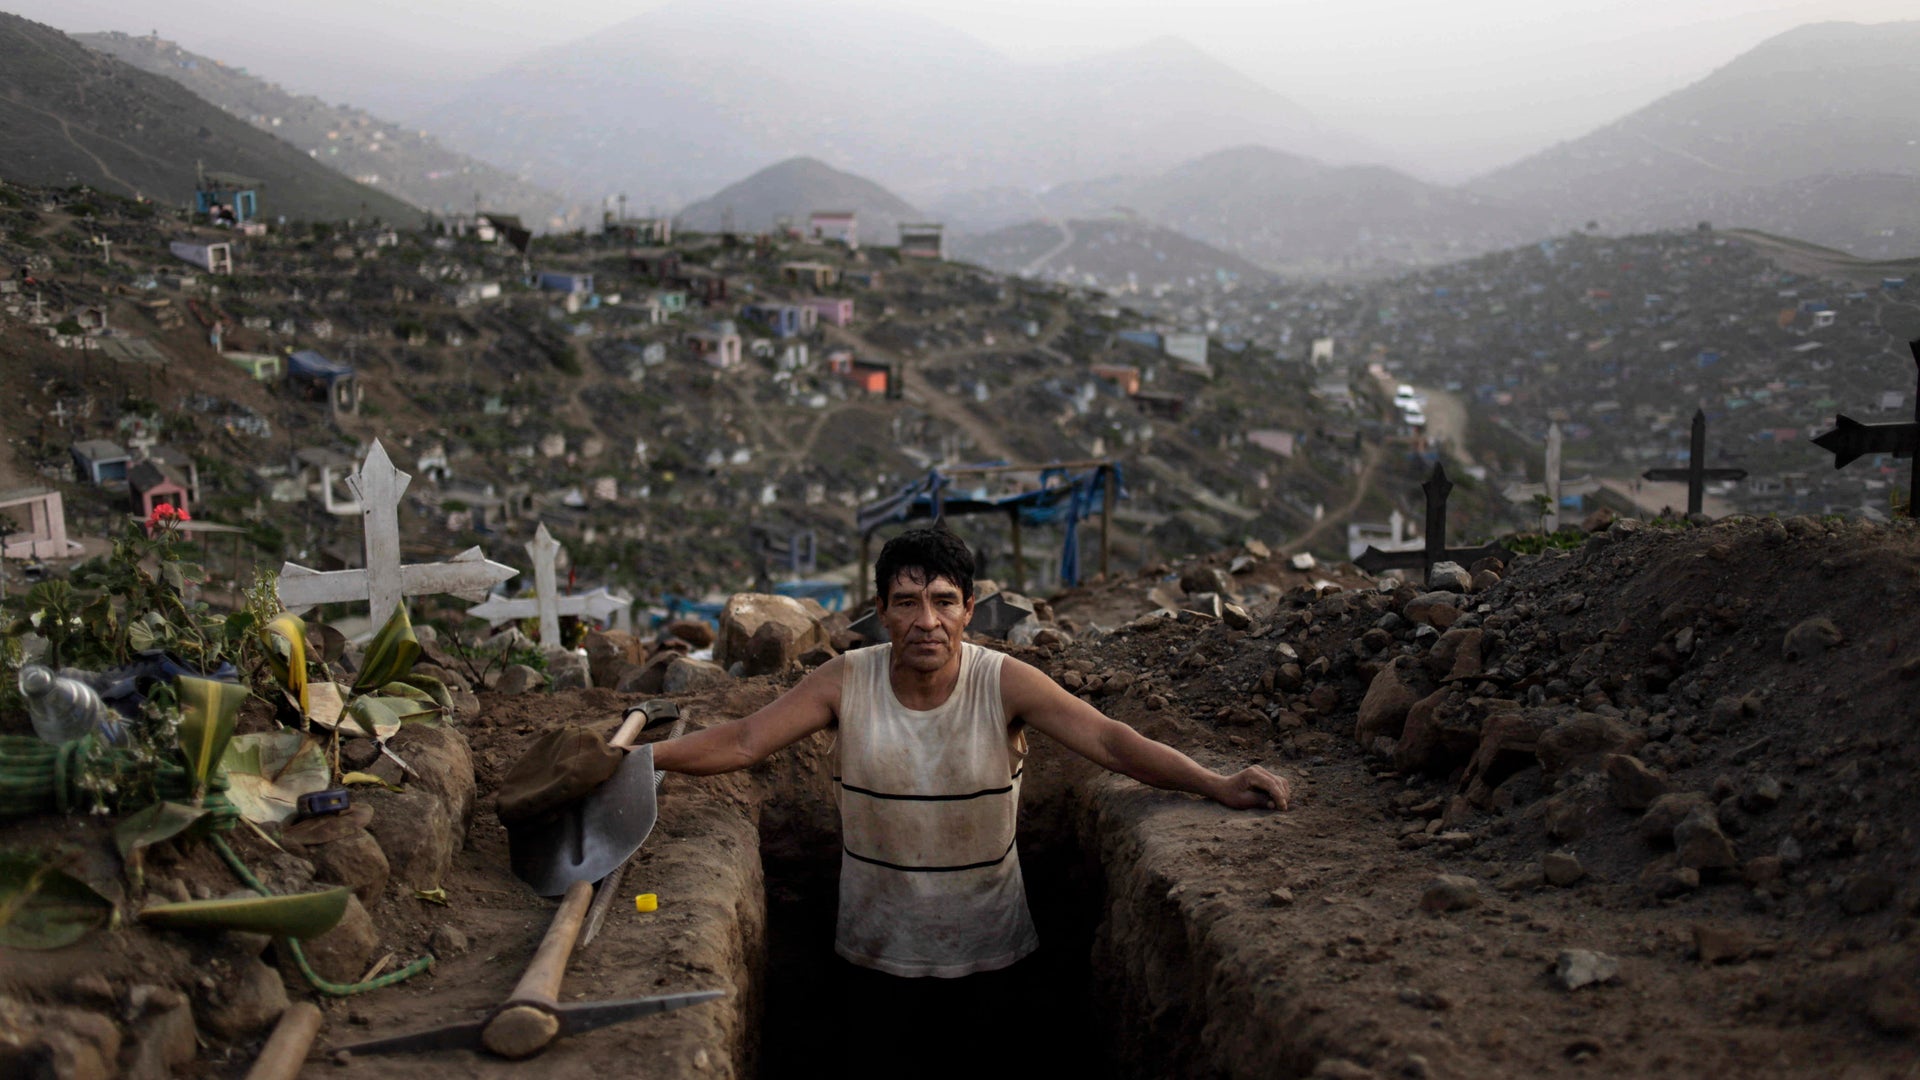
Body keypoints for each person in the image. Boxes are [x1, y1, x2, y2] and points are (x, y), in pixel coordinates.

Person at [637, 525, 1290, 1070]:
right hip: (875, 956)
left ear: (969, 609)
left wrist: (1215, 783)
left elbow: (1112, 742)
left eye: (944, 602)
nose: (926, 621)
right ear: (882, 610)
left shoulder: (1002, 683)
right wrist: (639, 760)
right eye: (907, 602)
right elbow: (746, 740)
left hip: (990, 957)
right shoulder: (846, 681)